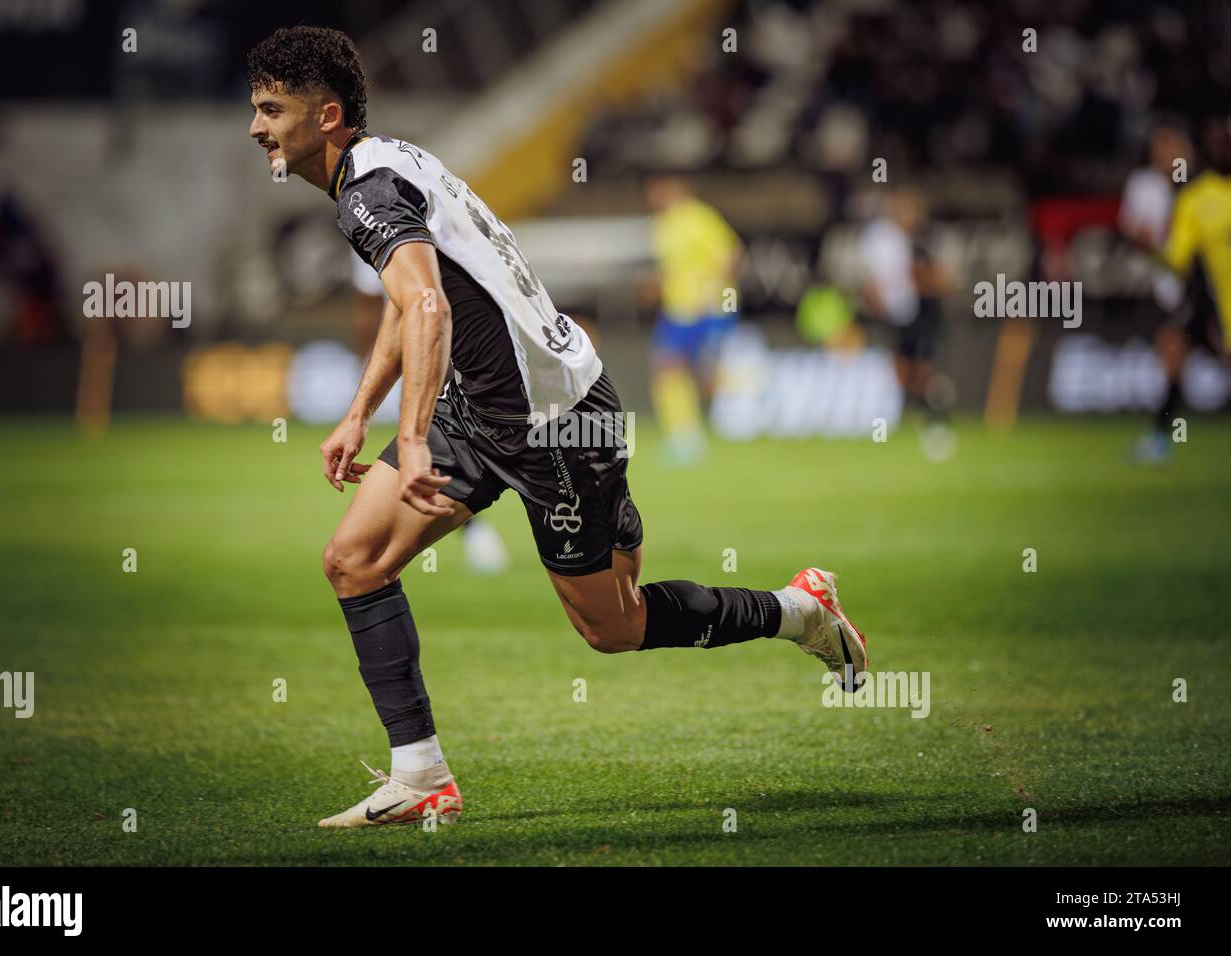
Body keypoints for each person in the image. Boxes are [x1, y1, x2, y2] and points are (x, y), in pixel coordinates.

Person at [246, 26, 868, 828]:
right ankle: (421, 774)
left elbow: (428, 303)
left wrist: (404, 437)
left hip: (555, 426)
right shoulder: (385, 164)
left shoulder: (367, 193)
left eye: (271, 108)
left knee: (614, 627)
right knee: (354, 560)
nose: (257, 127)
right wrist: (360, 411)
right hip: (482, 410)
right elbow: (414, 302)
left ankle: (801, 611)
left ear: (325, 116)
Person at [351, 253, 510, 574]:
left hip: (446, 350)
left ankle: (471, 527)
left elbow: (372, 304)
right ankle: (469, 528)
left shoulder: (384, 215)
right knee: (430, 447)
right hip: (413, 349)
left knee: (440, 441)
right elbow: (374, 302)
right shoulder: (373, 225)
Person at [1131, 116, 1230, 463]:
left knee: (1176, 348)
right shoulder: (1195, 196)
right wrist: (1150, 247)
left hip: (1204, 298)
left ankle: (1162, 436)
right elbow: (1178, 257)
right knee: (1174, 348)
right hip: (1205, 297)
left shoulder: (1191, 189)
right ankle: (1162, 436)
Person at [645, 175, 743, 466]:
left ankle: (754, 391)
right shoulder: (662, 225)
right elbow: (671, 269)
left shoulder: (699, 217)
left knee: (700, 372)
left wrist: (714, 294)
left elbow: (731, 255)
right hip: (678, 309)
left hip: (704, 307)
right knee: (669, 368)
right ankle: (684, 437)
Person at [858, 186, 954, 455]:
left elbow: (936, 277)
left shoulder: (921, 240)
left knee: (921, 369)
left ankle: (936, 415)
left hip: (921, 313)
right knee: (902, 370)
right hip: (900, 314)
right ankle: (921, 410)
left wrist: (928, 281)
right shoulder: (887, 239)